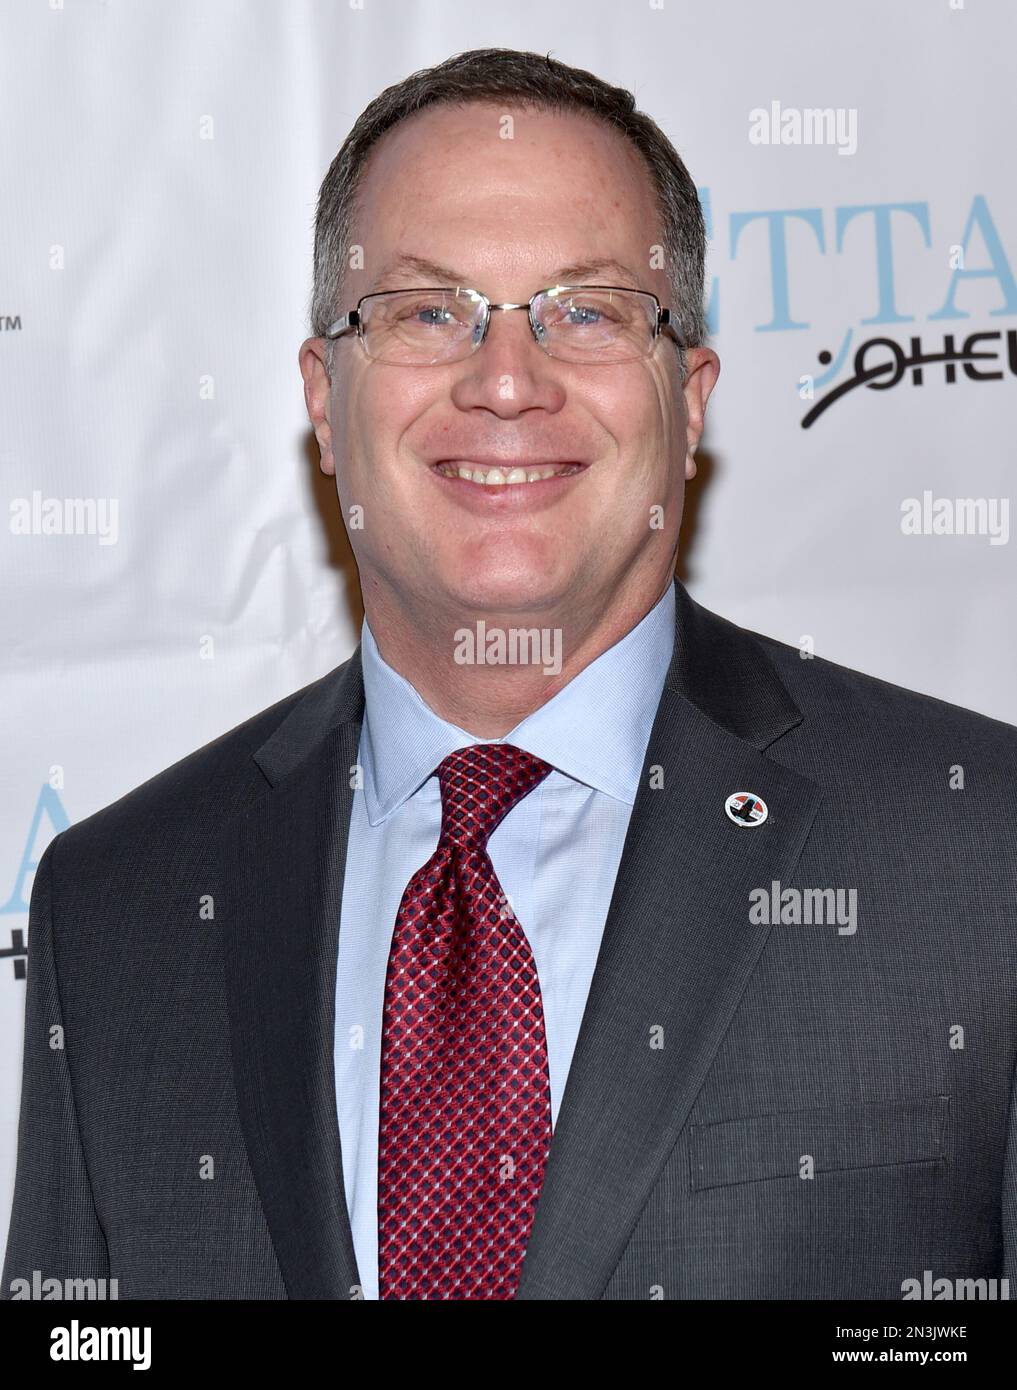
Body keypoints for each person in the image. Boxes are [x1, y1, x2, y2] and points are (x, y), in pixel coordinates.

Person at [4, 47, 1016, 1303]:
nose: (504, 382)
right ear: (325, 402)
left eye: (586, 310)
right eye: (428, 312)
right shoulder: (118, 904)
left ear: (689, 400)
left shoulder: (983, 846)